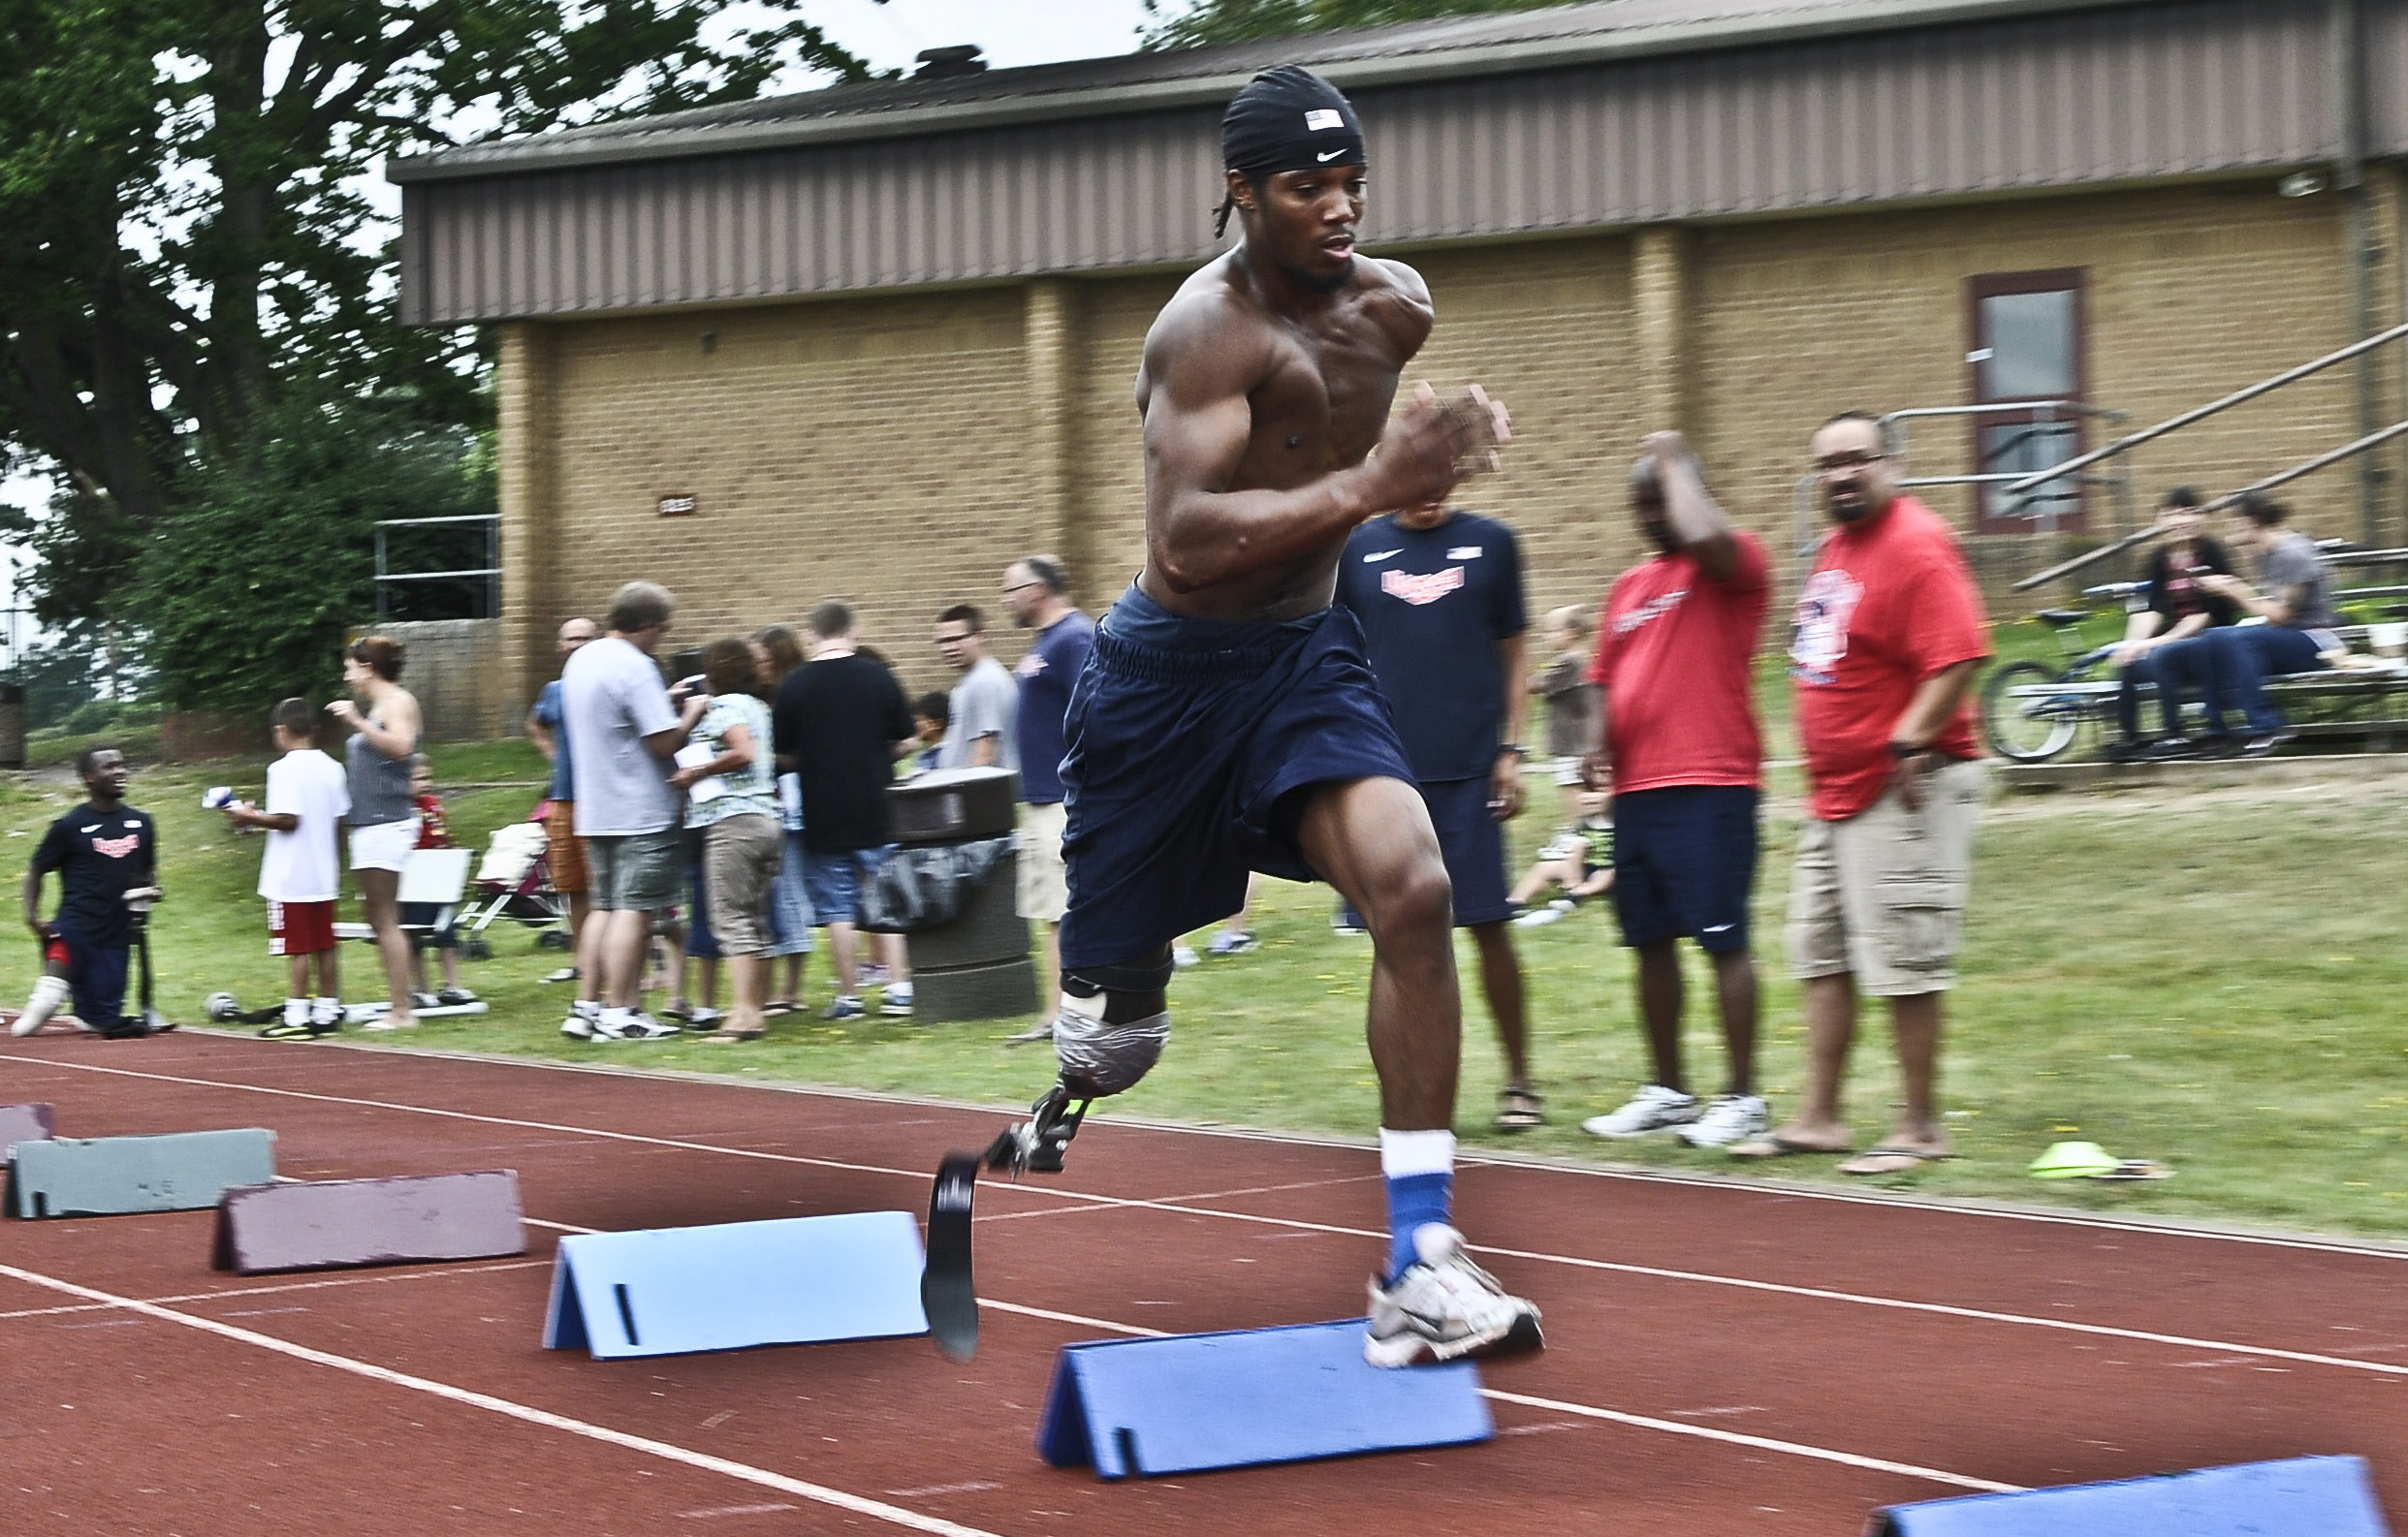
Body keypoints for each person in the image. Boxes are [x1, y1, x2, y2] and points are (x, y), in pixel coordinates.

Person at [1001, 64, 1540, 1369]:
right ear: (1241, 191)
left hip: (1303, 661)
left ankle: (1419, 1262)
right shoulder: (1204, 333)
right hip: (1164, 686)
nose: (1339, 208)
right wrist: (1377, 482)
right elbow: (1185, 544)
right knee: (1117, 1039)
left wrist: (1438, 445)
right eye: (1308, 186)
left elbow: (1356, 459)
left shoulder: (1396, 307)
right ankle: (1066, 1087)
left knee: (1415, 887)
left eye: (1353, 182)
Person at [1733, 411, 1989, 1176]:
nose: (1842, 474)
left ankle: (1920, 1127)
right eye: (1828, 464)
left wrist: (1911, 737)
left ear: (1894, 465)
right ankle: (1820, 1118)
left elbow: (1959, 655)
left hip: (1902, 786)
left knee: (1906, 957)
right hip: (1837, 793)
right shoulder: (1839, 547)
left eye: (1858, 459)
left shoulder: (1917, 544)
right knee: (1821, 953)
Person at [1578, 435, 1772, 1150]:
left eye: (1662, 500)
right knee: (1649, 942)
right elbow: (1603, 678)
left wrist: (1674, 464)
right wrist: (1595, 740)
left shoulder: (1732, 563)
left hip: (1711, 785)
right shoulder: (1629, 588)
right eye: (1642, 505)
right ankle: (1668, 1090)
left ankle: (1743, 1098)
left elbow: (1707, 536)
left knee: (1724, 942)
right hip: (1638, 794)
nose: (1654, 516)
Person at [1334, 494, 1541, 1132]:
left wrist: (1511, 750)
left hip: (1471, 773)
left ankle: (1520, 1081)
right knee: (1391, 940)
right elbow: (1334, 654)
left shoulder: (1494, 543)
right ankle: (1409, 1096)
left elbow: (1516, 651)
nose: (1427, 492)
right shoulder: (1357, 550)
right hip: (1384, 776)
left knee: (1489, 928)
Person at [559, 580, 707, 1042]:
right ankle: (621, 1012)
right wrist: (693, 711)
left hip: (596, 804)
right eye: (662, 629)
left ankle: (586, 1006)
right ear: (646, 624)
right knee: (635, 910)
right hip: (641, 808)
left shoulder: (582, 659)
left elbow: (617, 720)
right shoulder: (637, 666)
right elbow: (663, 742)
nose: (662, 637)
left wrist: (664, 703)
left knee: (602, 907)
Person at [775, 599, 919, 1021]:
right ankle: (899, 988)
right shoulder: (878, 676)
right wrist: (875, 755)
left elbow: (780, 752)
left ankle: (850, 996)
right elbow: (908, 739)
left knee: (837, 906)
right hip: (876, 805)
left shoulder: (795, 684)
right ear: (854, 631)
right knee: (886, 895)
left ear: (810, 635)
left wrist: (813, 760)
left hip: (822, 807)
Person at [2153, 491, 2340, 758]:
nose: (2228, 527)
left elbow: (2282, 615)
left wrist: (2235, 591)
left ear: (2250, 522)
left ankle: (2267, 726)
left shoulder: (2292, 553)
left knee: (2239, 639)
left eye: (2233, 521)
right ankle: (2217, 730)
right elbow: (2272, 612)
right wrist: (2239, 591)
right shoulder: (2263, 553)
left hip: (2318, 640)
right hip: (2285, 636)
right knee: (2212, 638)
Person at [999, 553, 1096, 1046]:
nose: (1006, 601)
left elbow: (1095, 712)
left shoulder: (1073, 638)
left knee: (1069, 911)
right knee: (1053, 914)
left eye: (1010, 590)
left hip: (1064, 799)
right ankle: (1057, 1014)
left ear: (1036, 590)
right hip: (1040, 799)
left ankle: (1072, 1015)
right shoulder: (1046, 641)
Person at [670, 638, 785, 1042]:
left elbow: (743, 751)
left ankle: (744, 1015)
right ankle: (756, 1008)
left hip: (733, 824)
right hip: (767, 821)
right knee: (755, 920)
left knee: (730, 919)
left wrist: (696, 773)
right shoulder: (758, 706)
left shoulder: (725, 707)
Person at [15, 747, 161, 1040]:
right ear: (88, 777)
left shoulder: (142, 823)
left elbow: (147, 872)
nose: (119, 771)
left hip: (116, 938)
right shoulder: (69, 825)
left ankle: (86, 1001)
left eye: (121, 764)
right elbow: (36, 870)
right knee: (32, 1019)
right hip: (75, 930)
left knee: (99, 1022)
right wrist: (31, 916)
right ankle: (57, 992)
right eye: (109, 766)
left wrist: (151, 891)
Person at [224, 699, 349, 1038]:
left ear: (281, 730)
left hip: (290, 874)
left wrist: (249, 817)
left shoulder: (282, 769)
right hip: (323, 872)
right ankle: (326, 1009)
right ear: (315, 729)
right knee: (325, 943)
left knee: (297, 946)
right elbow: (339, 820)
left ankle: (296, 1014)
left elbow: (288, 820)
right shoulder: (334, 768)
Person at [328, 636, 425, 1032]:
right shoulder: (381, 706)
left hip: (386, 821)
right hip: (372, 822)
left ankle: (402, 1012)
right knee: (378, 917)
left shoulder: (398, 702)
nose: (346, 675)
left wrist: (356, 722)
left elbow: (402, 747)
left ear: (367, 668)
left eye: (350, 667)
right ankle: (398, 1005)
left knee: (385, 917)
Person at [2103, 489, 2240, 759]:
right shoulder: (2159, 559)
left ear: (2201, 518)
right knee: (2130, 663)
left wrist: (2156, 642)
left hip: (2211, 640)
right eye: (2173, 514)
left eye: (2189, 512)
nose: (2181, 520)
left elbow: (2207, 615)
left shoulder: (2212, 553)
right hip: (2176, 641)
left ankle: (2175, 735)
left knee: (2163, 655)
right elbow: (2152, 610)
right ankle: (2130, 738)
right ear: (2160, 521)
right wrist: (2131, 645)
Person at [526, 616, 598, 983]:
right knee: (572, 885)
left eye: (585, 638)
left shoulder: (603, 685)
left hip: (600, 799)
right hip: (564, 798)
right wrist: (553, 755)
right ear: (560, 645)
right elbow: (536, 723)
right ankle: (583, 961)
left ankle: (615, 959)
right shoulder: (554, 690)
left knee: (604, 883)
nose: (577, 644)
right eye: (571, 639)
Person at [751, 624, 814, 1015]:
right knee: (770, 897)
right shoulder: (759, 699)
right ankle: (777, 986)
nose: (755, 666)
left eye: (761, 660)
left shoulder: (794, 697)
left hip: (791, 807)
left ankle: (790, 989)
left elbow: (804, 754)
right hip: (769, 807)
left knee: (787, 894)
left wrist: (761, 756)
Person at [401, 754, 475, 1008]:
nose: (426, 783)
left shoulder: (434, 805)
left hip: (439, 883)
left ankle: (452, 985)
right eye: (418, 779)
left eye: (428, 777)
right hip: (412, 885)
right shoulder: (401, 810)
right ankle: (422, 988)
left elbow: (443, 837)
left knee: (447, 933)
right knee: (413, 936)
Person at [1531, 604, 1600, 813]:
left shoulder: (1569, 662)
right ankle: (1591, 824)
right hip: (1584, 739)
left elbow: (1534, 685)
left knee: (1572, 786)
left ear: (1572, 632)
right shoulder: (1585, 658)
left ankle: (1576, 827)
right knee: (1586, 786)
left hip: (1571, 743)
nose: (1547, 637)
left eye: (1552, 631)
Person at [934, 604, 1019, 772]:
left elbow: (984, 754)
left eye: (957, 639)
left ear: (981, 637)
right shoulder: (973, 680)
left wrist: (969, 789)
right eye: (943, 641)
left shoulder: (984, 682)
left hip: (984, 788)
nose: (949, 648)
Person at [1506, 791, 1614, 925]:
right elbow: (1573, 848)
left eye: (1600, 793)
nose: (1590, 798)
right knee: (1545, 867)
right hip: (1583, 866)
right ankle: (1516, 901)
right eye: (1588, 792)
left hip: (1610, 869)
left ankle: (1575, 894)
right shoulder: (1585, 822)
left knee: (1607, 874)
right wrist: (1572, 874)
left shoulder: (1624, 822)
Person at [908, 692, 950, 773]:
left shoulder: (945, 755)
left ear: (937, 724)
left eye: (917, 720)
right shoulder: (924, 754)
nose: (914, 725)